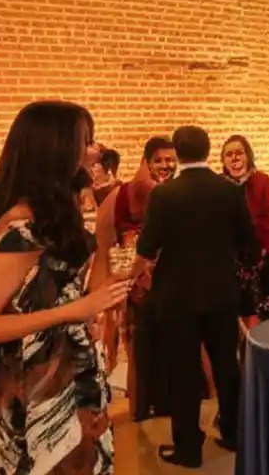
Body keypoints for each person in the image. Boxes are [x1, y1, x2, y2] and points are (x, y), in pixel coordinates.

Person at [0, 101, 132, 475]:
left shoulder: (54, 214)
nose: (95, 151)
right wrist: (71, 314)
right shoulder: (20, 229)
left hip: (66, 381)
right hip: (31, 394)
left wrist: (105, 233)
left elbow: (82, 295)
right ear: (56, 149)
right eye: (86, 141)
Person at [136, 125, 256, 468]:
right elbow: (248, 242)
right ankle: (234, 433)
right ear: (208, 151)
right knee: (226, 366)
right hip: (221, 292)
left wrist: (134, 273)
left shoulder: (165, 195)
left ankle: (188, 448)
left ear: (179, 152)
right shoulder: (229, 191)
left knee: (183, 371)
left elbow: (147, 247)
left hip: (177, 296)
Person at [107, 136, 176, 420]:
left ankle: (164, 404)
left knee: (167, 345)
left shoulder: (176, 191)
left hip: (170, 278)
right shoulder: (128, 192)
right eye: (158, 160)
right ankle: (142, 407)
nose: (165, 165)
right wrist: (142, 267)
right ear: (147, 162)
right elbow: (125, 233)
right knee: (140, 344)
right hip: (140, 277)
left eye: (170, 159)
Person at [221, 134, 269, 321]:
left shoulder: (264, 182)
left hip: (263, 255)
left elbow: (268, 223)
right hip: (230, 262)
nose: (235, 158)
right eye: (229, 154)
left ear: (248, 155)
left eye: (239, 153)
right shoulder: (218, 186)